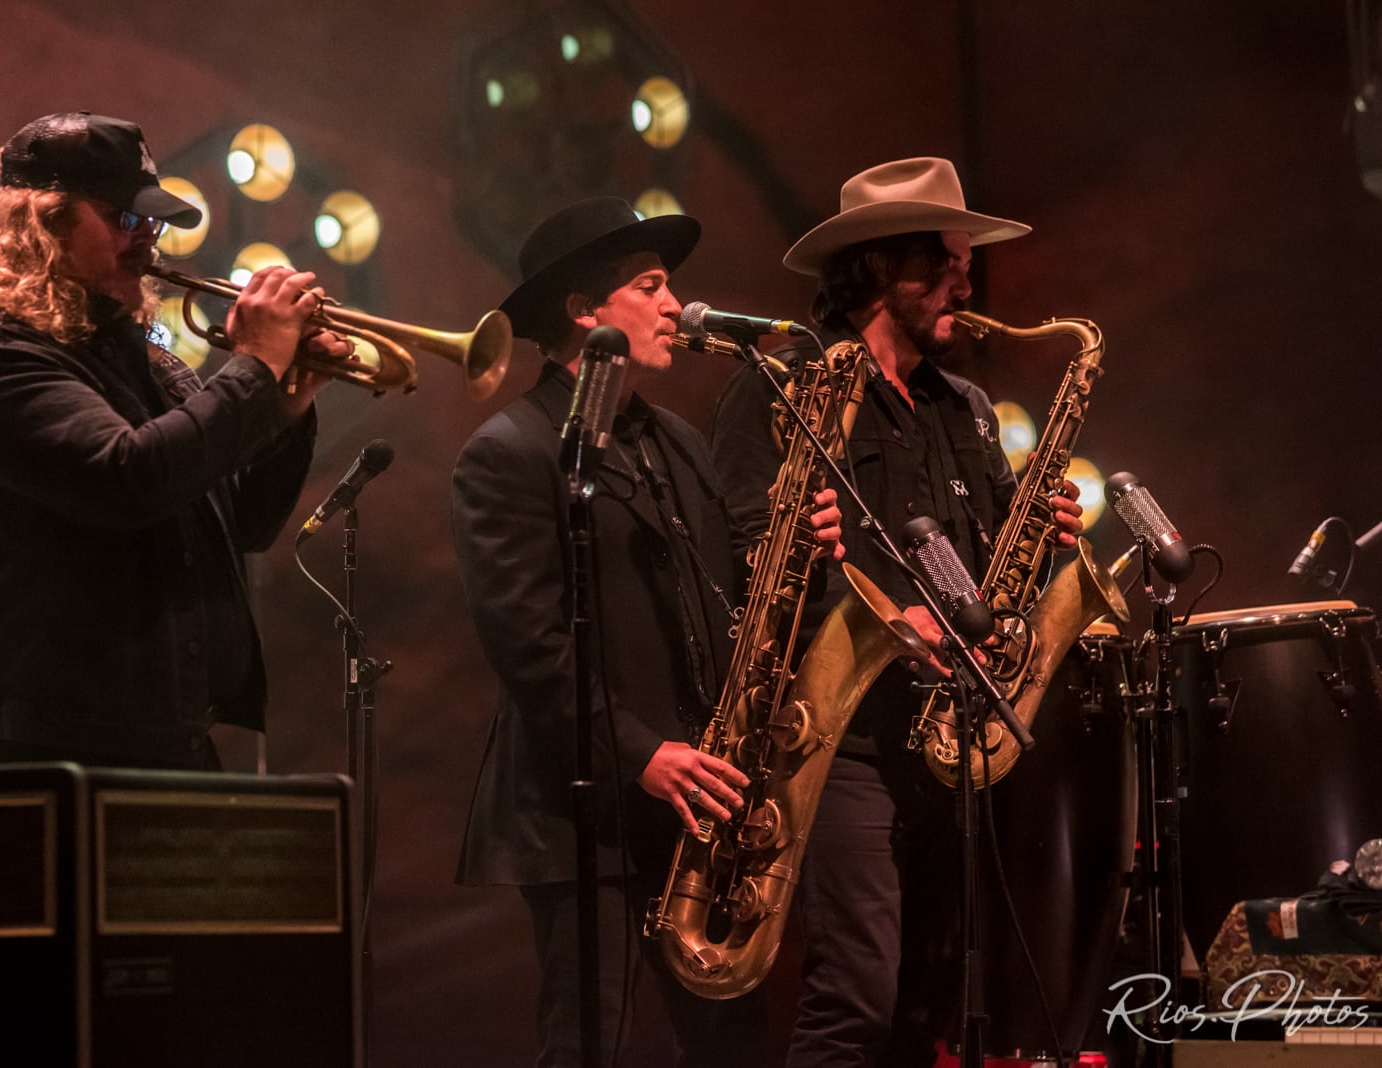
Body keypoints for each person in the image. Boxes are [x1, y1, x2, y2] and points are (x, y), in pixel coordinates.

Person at [450, 196, 844, 1067]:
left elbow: (724, 599)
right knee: (594, 1042)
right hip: (584, 809)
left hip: (700, 802)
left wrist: (795, 552)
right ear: (584, 311)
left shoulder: (678, 442)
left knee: (731, 1044)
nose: (676, 307)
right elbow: (529, 646)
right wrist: (640, 752)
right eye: (652, 286)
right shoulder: (508, 451)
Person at [710, 158, 1085, 1066]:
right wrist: (891, 621)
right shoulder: (785, 387)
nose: (970, 280)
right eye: (949, 261)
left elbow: (999, 563)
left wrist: (1048, 539)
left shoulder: (960, 406)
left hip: (953, 741)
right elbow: (746, 559)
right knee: (858, 999)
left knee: (931, 1008)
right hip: (846, 744)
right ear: (882, 268)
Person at [0, 111, 349, 770]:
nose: (148, 241)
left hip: (164, 736)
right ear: (43, 222)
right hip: (51, 746)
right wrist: (255, 365)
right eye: (125, 219)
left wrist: (289, 402)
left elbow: (243, 523)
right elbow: (128, 480)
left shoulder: (143, 349)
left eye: (154, 224)